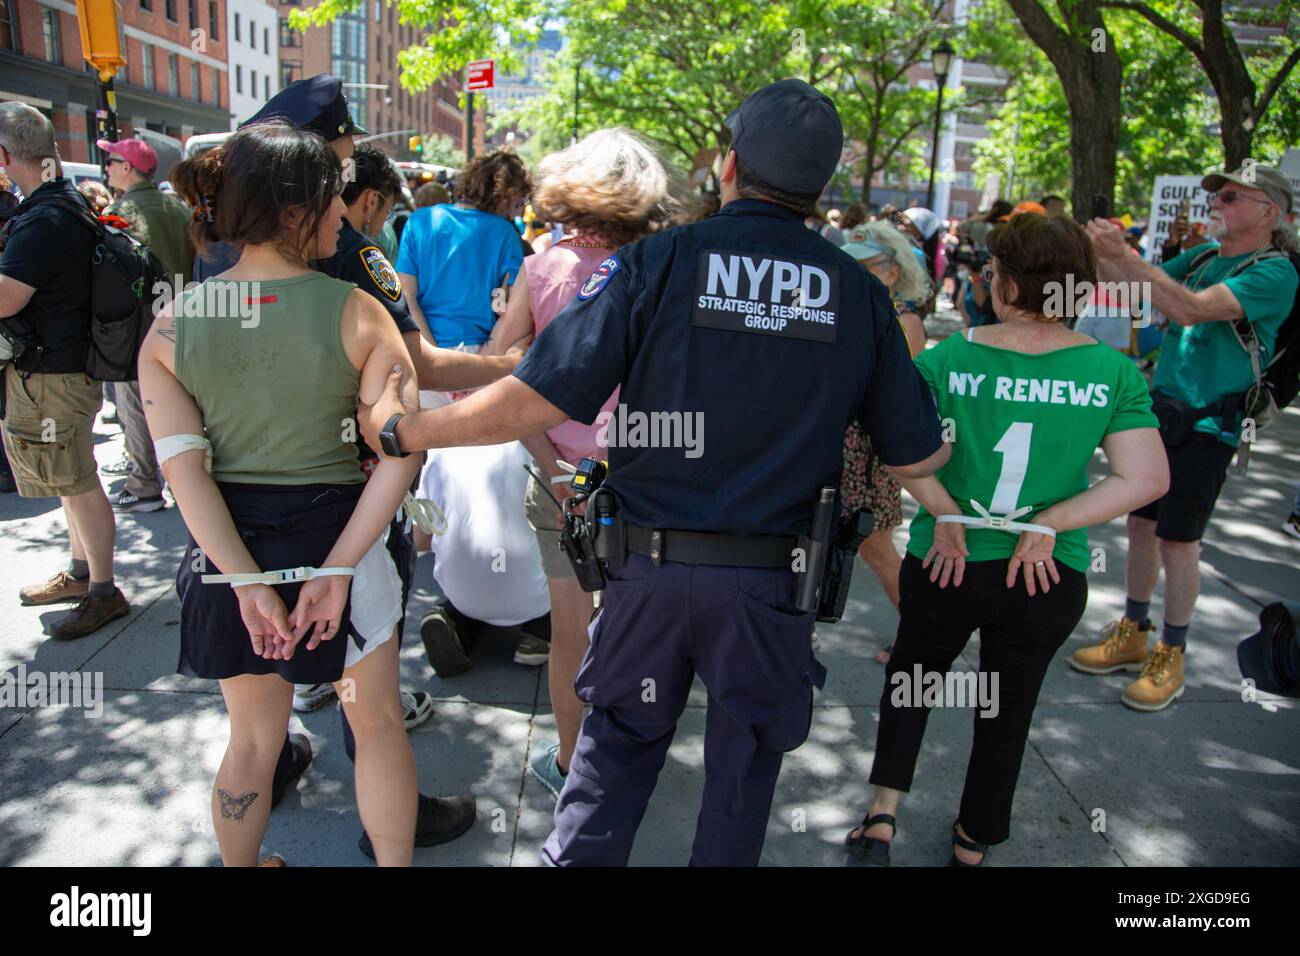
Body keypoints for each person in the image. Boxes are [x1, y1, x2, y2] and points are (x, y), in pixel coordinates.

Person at [360, 78, 950, 866]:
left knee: (609, 771)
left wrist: (407, 431)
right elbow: (915, 452)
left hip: (652, 572)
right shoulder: (858, 295)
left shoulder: (662, 262)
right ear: (821, 187)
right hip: (775, 585)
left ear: (731, 165)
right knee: (742, 783)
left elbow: (537, 392)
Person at [144, 121, 455, 867]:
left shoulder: (174, 323)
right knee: (374, 721)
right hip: (339, 537)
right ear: (296, 211)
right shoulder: (357, 311)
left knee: (252, 739)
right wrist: (339, 568)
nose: (343, 217)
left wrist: (246, 580)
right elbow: (397, 453)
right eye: (331, 202)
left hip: (230, 552)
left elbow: (183, 472)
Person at [845, 213, 1168, 866]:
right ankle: (973, 841)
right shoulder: (1112, 371)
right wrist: (1052, 521)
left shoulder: (947, 359)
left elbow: (895, 449)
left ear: (1009, 287)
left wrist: (947, 509)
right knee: (1008, 708)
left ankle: (882, 815)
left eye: (993, 272)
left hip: (947, 562)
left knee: (911, 682)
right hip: (1043, 575)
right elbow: (1147, 477)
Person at [479, 127, 681, 798]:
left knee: (570, 624)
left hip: (559, 471)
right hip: (647, 476)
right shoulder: (664, 269)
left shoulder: (541, 268)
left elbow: (501, 372)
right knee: (640, 625)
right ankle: (630, 755)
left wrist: (556, 465)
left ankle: (569, 760)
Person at [1078, 165, 1298, 712]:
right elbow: (1125, 287)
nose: (1215, 204)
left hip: (1211, 425)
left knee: (1180, 542)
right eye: (1214, 196)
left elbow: (1189, 309)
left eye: (1229, 196)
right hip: (1164, 414)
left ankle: (1171, 654)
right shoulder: (1201, 257)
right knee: (1141, 524)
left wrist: (1122, 255)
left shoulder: (1274, 273)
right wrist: (1106, 247)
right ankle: (1133, 630)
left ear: (1269, 210)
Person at [0, 102, 129, 639]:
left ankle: (103, 591)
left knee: (77, 481)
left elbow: (5, 300)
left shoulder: (44, 218)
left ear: (6, 156)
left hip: (54, 373)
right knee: (71, 477)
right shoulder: (63, 204)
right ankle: (83, 575)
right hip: (63, 367)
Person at [838, 222, 930, 665]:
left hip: (867, 448)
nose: (854, 272)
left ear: (892, 271)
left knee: (876, 548)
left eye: (866, 266)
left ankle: (920, 641)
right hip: (836, 442)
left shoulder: (905, 320)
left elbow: (891, 395)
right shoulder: (859, 308)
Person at [101, 136, 196, 514]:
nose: (106, 167)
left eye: (111, 161)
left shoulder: (119, 213)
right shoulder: (179, 209)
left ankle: (143, 485)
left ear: (128, 168)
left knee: (137, 404)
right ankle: (183, 482)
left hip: (138, 327)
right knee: (180, 404)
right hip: (186, 319)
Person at [395, 149, 531, 349]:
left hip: (422, 346)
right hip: (479, 350)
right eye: (517, 203)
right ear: (505, 196)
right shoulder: (505, 234)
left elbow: (407, 295)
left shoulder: (419, 221)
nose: (516, 212)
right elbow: (503, 306)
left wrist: (431, 352)